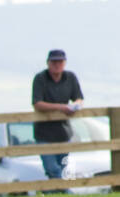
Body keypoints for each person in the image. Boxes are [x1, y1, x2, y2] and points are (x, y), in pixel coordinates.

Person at [32, 49, 84, 185]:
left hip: (63, 132)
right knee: (52, 169)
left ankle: (60, 194)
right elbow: (37, 103)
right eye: (54, 61)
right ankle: (66, 193)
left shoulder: (70, 77)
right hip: (44, 133)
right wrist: (61, 107)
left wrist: (76, 106)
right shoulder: (40, 78)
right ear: (48, 63)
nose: (57, 65)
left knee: (62, 168)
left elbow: (79, 98)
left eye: (60, 61)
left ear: (64, 63)